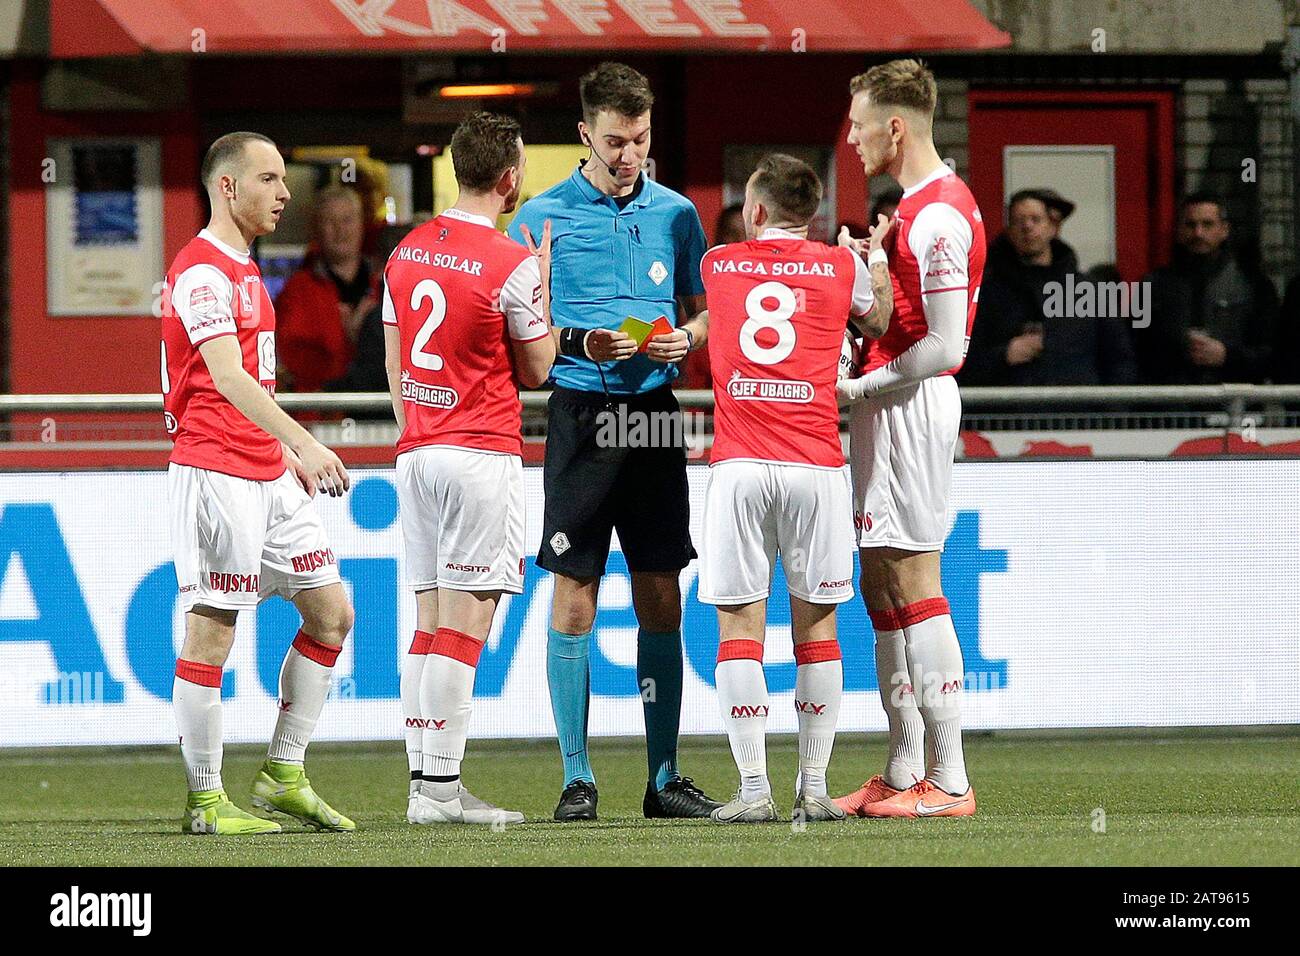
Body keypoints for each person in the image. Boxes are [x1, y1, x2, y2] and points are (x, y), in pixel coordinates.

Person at [507, 61, 722, 822]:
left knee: (661, 592)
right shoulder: (538, 218)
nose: (628, 153)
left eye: (638, 138)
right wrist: (580, 340)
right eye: (614, 140)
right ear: (583, 136)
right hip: (581, 415)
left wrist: (683, 340)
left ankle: (664, 777)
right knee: (575, 597)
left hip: (656, 415)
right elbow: (517, 334)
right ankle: (577, 777)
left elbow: (705, 315)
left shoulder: (678, 214)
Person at [162, 132, 356, 835]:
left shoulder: (248, 269)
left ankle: (282, 775)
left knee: (331, 613)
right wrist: (304, 440)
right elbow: (227, 375)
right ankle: (207, 801)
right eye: (269, 179)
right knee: (211, 635)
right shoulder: (202, 271)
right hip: (216, 470)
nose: (283, 193)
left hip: (266, 471)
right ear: (226, 187)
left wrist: (284, 453)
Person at [686, 153, 888, 823]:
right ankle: (813, 788)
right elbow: (880, 320)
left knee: (739, 630)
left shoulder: (720, 264)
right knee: (818, 628)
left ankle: (752, 791)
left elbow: (703, 323)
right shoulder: (839, 265)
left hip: (741, 464)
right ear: (813, 213)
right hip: (814, 464)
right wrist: (875, 257)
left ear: (759, 211)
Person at [388, 111, 555, 827]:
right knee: (464, 626)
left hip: (418, 451)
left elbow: (395, 363)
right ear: (511, 177)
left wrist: (418, 431)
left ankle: (426, 783)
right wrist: (542, 282)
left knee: (428, 624)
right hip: (480, 453)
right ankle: (444, 792)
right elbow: (540, 367)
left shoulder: (406, 251)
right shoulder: (510, 263)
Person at [834, 59, 984, 819]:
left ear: (895, 126)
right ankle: (900, 769)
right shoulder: (917, 208)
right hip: (887, 403)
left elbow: (947, 347)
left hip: (910, 406)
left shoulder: (939, 217)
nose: (852, 138)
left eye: (859, 124)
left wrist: (858, 387)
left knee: (916, 581)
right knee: (881, 583)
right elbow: (903, 325)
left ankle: (950, 780)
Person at [961, 190, 1137, 386]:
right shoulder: (987, 293)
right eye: (1018, 221)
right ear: (1009, 231)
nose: (1027, 227)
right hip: (1012, 413)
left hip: (1078, 412)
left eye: (1036, 219)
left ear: (1054, 227)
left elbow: (1119, 359)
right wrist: (1004, 355)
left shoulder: (1089, 292)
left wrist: (1112, 413)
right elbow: (963, 362)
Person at [1138, 193, 1278, 384]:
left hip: (1235, 402)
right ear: (1178, 231)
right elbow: (1136, 348)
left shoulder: (1254, 284)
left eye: (1207, 224)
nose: (1198, 233)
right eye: (1190, 225)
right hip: (1172, 404)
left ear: (1224, 230)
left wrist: (1227, 355)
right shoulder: (1152, 285)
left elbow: (1274, 352)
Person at [276, 186, 381, 392]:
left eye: (347, 220)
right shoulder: (298, 291)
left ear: (361, 225)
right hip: (322, 412)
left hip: (378, 412)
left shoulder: (384, 284)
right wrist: (349, 338)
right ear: (317, 229)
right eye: (330, 221)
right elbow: (294, 360)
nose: (340, 230)